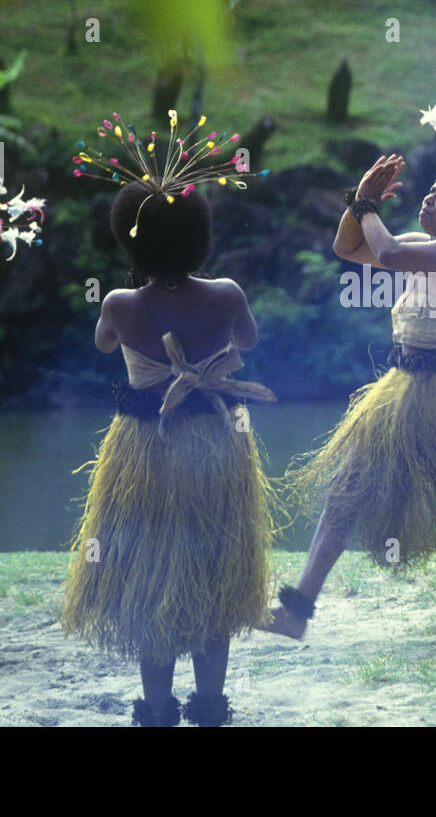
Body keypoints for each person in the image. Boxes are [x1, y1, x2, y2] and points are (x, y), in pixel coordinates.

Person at [258, 154, 436, 639]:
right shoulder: (425, 245)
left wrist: (366, 202)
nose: (429, 197)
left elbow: (388, 254)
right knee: (346, 490)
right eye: (431, 189)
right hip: (403, 388)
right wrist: (358, 201)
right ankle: (296, 611)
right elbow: (347, 248)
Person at [61, 182, 277, 727]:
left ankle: (157, 711)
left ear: (130, 244)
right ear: (200, 238)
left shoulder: (120, 302)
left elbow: (104, 343)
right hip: (214, 443)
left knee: (147, 576)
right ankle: (210, 708)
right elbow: (247, 342)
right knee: (215, 571)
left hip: (144, 449)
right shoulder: (227, 292)